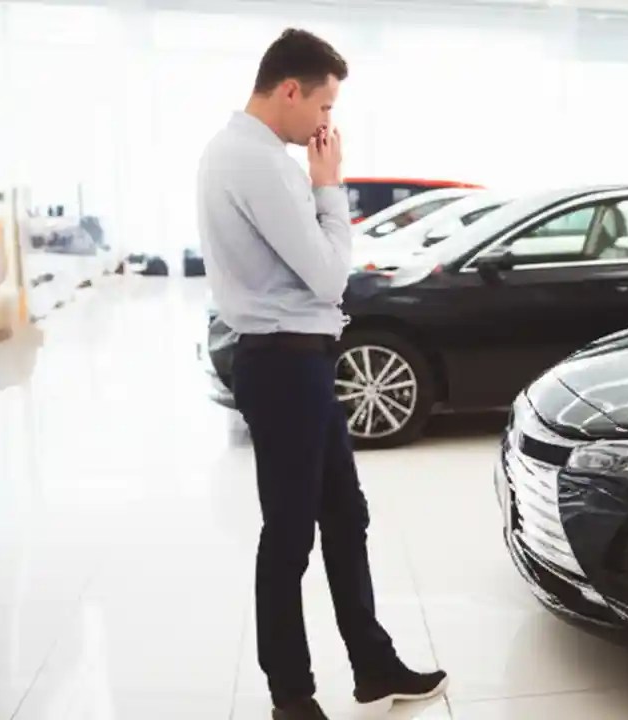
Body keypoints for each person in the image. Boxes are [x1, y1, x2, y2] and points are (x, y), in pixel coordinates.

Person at [196, 28, 448, 720]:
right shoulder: (261, 164)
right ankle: (291, 696)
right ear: (289, 90)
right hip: (284, 366)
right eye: (324, 106)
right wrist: (330, 188)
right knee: (289, 535)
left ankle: (373, 664)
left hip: (294, 361)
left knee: (344, 516)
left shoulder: (235, 152)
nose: (326, 124)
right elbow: (331, 274)